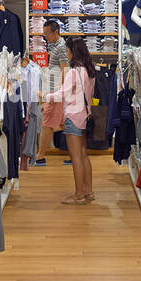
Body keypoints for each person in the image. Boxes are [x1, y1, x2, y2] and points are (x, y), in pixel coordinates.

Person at [42, 38, 96, 204]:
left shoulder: (73, 72)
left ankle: (78, 194)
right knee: (83, 154)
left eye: (67, 51)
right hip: (84, 115)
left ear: (74, 51)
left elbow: (62, 94)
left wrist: (45, 96)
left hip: (73, 115)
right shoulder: (89, 71)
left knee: (76, 157)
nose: (66, 54)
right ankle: (88, 191)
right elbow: (89, 95)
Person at [34, 19, 69, 166]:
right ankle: (75, 154)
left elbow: (65, 70)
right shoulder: (55, 45)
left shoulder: (61, 47)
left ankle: (40, 157)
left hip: (56, 93)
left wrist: (57, 93)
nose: (45, 37)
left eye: (47, 33)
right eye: (44, 34)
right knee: (63, 124)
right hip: (56, 92)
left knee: (47, 124)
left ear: (56, 32)